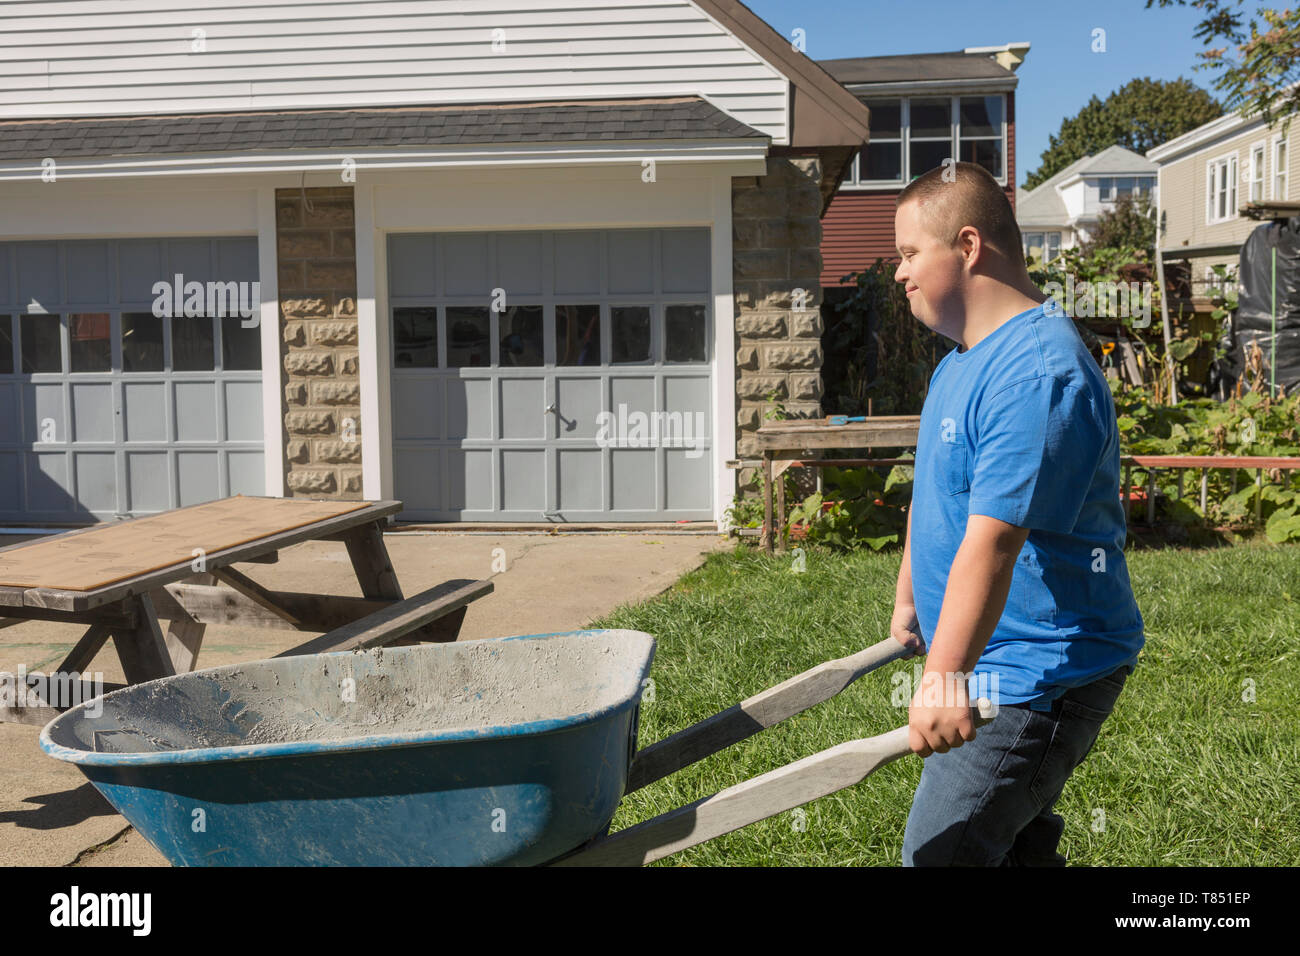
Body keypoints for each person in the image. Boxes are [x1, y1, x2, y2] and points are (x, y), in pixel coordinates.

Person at [890, 161, 1145, 866]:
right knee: (1008, 847)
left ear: (967, 246)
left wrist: (945, 676)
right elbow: (937, 493)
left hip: (1040, 671)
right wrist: (911, 602)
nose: (899, 273)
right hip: (994, 655)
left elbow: (995, 542)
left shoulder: (1037, 374)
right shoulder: (962, 362)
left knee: (941, 855)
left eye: (911, 253)